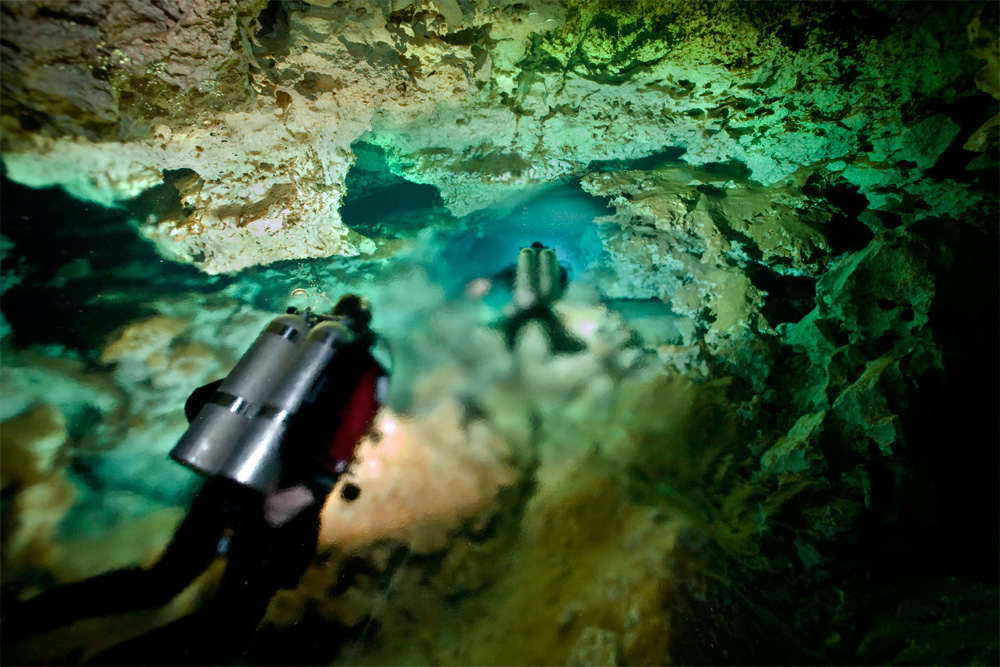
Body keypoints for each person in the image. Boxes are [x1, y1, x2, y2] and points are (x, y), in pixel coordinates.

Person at [4, 294, 389, 665]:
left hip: (228, 481)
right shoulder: (364, 366)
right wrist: (305, 489)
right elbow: (350, 431)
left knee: (158, 584)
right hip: (279, 507)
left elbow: (202, 401)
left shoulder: (292, 352)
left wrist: (236, 455)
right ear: (365, 326)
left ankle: (18, 620)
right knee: (227, 630)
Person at [497, 242, 586, 353]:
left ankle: (508, 351)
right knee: (554, 332)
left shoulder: (520, 268)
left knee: (512, 330)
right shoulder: (556, 267)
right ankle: (560, 351)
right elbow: (564, 282)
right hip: (546, 303)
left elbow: (506, 278)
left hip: (526, 304)